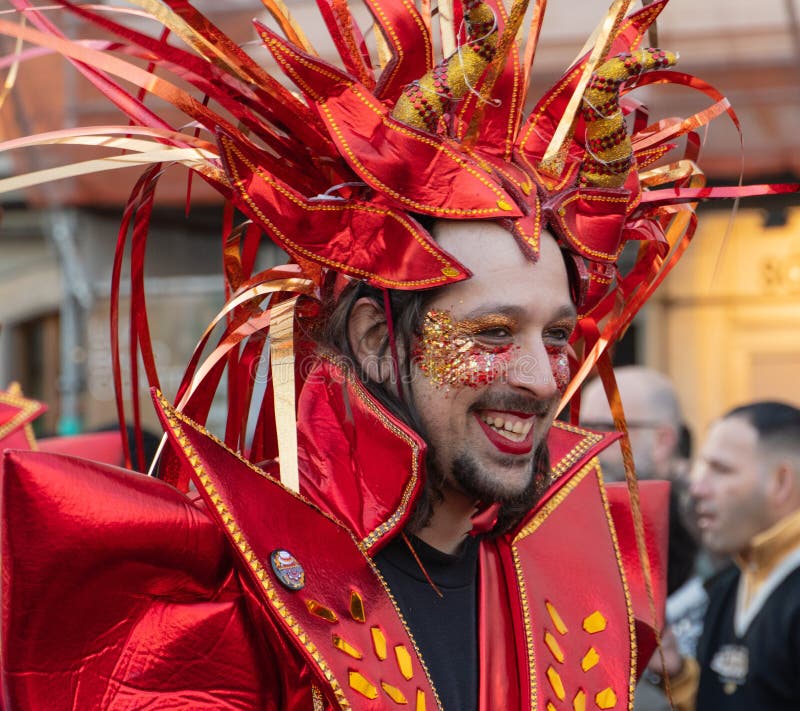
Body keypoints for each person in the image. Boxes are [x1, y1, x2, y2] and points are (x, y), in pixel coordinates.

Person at [0, 1, 796, 709]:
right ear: (380, 342)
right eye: (493, 333)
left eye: (556, 334)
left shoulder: (599, 576)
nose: (541, 375)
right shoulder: (226, 599)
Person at [653, 401, 800, 710]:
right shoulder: (729, 584)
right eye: (701, 468)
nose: (697, 488)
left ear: (781, 482)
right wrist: (678, 674)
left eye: (720, 470)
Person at [581, 367, 705, 711]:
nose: (586, 442)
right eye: (580, 428)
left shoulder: (718, 527)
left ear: (664, 440)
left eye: (605, 428)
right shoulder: (576, 516)